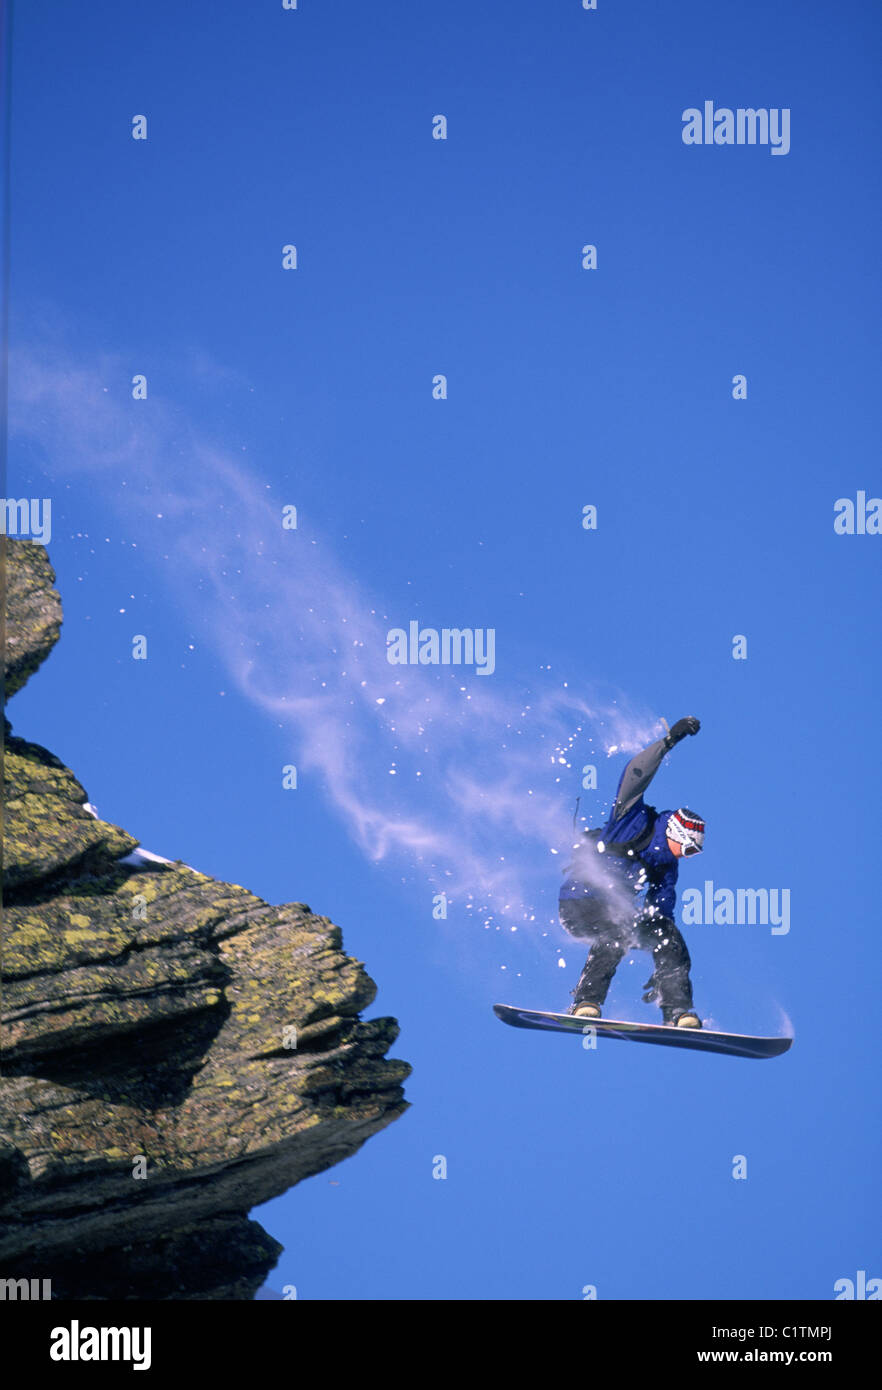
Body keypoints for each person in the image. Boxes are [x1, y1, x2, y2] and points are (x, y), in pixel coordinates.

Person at [559, 717, 704, 1028]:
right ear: (677, 834)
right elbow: (635, 775)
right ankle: (586, 1002)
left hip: (618, 913)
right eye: (689, 848)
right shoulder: (633, 820)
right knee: (615, 930)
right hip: (580, 903)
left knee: (668, 937)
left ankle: (678, 1012)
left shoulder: (666, 866)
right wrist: (669, 741)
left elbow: (660, 911)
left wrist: (662, 948)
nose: (688, 856)